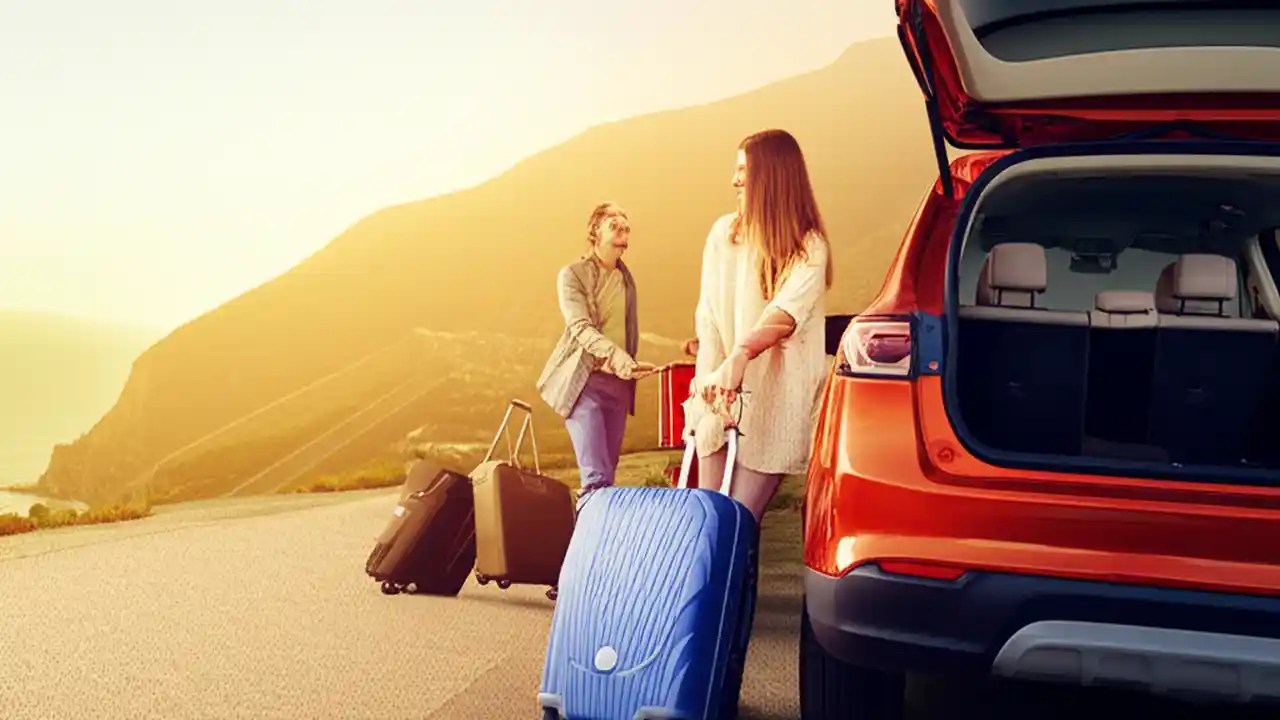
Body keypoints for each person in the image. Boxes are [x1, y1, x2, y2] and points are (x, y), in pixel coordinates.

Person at [687, 129, 833, 525]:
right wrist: (711, 380)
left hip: (774, 398)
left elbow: (784, 315)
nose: (734, 180)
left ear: (771, 177)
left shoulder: (808, 247)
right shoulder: (723, 236)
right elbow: (709, 316)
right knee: (707, 520)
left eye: (743, 170)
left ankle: (735, 569)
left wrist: (741, 354)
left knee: (738, 520)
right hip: (720, 391)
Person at [537, 202, 657, 509]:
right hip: (584, 384)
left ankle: (598, 531)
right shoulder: (572, 275)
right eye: (614, 226)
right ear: (595, 232)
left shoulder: (627, 280)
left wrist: (629, 365)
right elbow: (580, 327)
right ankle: (584, 533)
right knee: (596, 478)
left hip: (619, 386)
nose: (623, 233)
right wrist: (617, 357)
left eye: (626, 228)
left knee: (608, 477)